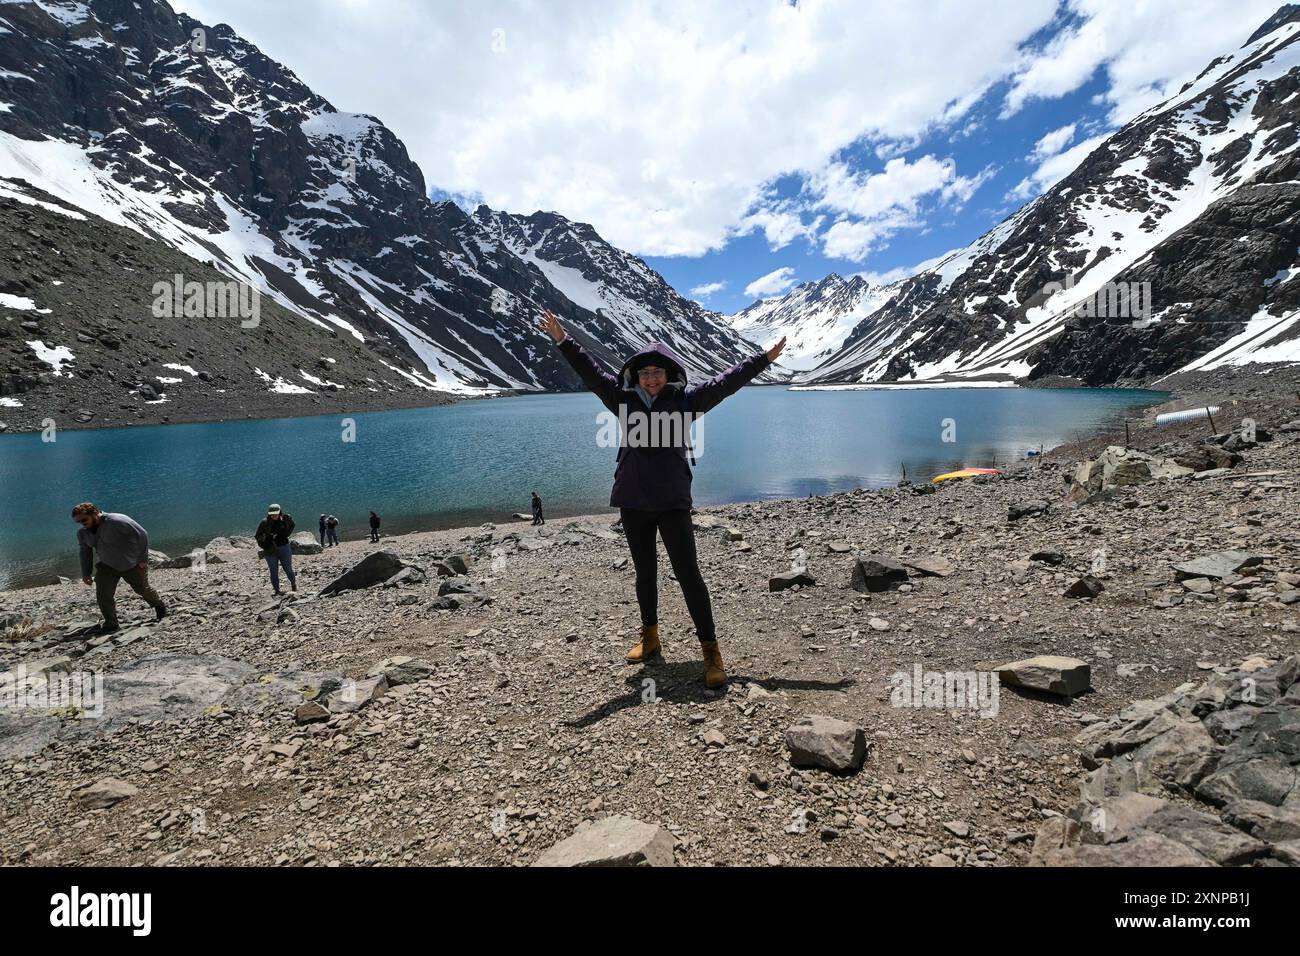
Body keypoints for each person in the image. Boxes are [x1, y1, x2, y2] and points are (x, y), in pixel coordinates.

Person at [539, 309, 785, 688]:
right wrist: (563, 340)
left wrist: (762, 360)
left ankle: (710, 650)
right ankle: (650, 638)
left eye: (658, 372)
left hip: (672, 501)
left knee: (689, 574)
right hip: (633, 500)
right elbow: (589, 372)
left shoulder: (688, 401)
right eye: (644, 373)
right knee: (644, 573)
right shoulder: (620, 401)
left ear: (670, 375)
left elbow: (727, 382)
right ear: (635, 377)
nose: (651, 379)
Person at [73, 502, 167, 634]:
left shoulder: (117, 520)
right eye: (78, 522)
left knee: (143, 589)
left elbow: (142, 534)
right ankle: (111, 624)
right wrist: (86, 573)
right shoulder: (83, 533)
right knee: (103, 595)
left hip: (131, 563)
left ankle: (158, 605)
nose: (82, 523)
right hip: (107, 566)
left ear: (95, 513)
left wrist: (143, 559)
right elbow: (85, 552)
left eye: (84, 520)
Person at [255, 504, 297, 595]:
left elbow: (293, 525)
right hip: (270, 550)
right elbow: (257, 536)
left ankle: (293, 585)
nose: (273, 516)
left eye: (275, 514)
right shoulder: (264, 522)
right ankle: (277, 591)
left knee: (288, 569)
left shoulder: (286, 519)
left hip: (284, 547)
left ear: (280, 512)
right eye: (271, 514)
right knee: (273, 572)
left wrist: (287, 534)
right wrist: (266, 540)